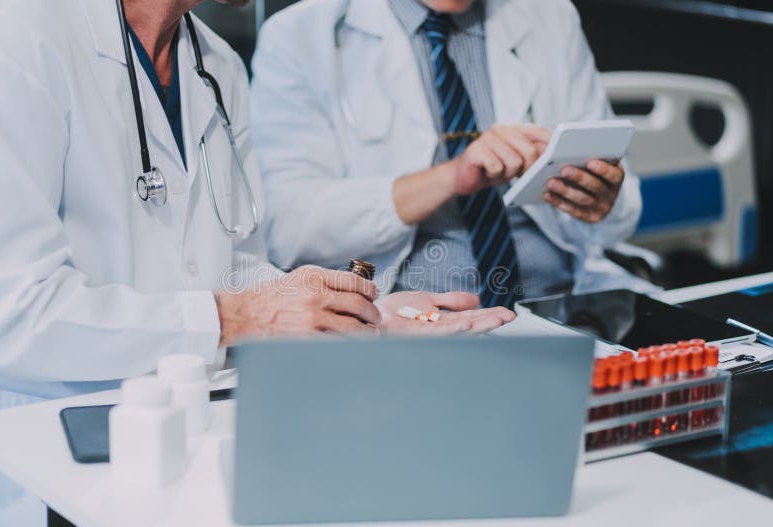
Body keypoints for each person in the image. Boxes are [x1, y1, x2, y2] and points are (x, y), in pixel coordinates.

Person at [0, 0, 512, 527]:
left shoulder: (217, 64)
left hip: (188, 438)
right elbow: (8, 314)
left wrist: (357, 315)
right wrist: (234, 317)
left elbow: (237, 268)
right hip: (43, 461)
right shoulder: (15, 42)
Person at [251, 0, 656, 310]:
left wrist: (600, 199)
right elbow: (288, 230)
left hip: (559, 305)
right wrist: (449, 177)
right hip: (408, 317)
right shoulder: (301, 36)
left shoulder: (549, 16)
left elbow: (619, 217)